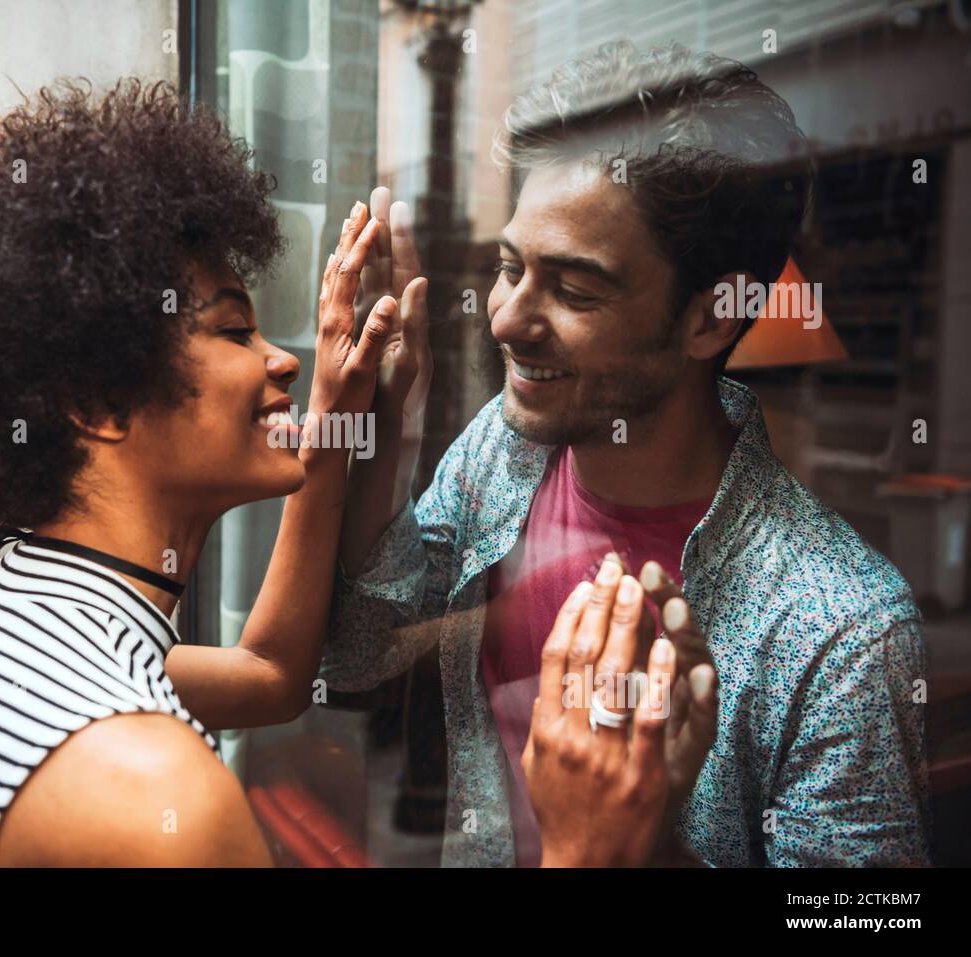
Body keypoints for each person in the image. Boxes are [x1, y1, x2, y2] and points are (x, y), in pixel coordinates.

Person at [0, 78, 703, 867]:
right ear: (97, 401)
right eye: (233, 332)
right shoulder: (167, 800)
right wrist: (590, 849)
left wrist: (341, 407)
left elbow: (271, 675)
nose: (282, 363)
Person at [324, 41, 929, 867]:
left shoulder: (843, 631)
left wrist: (637, 845)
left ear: (712, 319)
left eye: (574, 289)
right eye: (509, 268)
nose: (505, 319)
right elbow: (357, 656)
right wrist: (383, 425)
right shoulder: (502, 452)